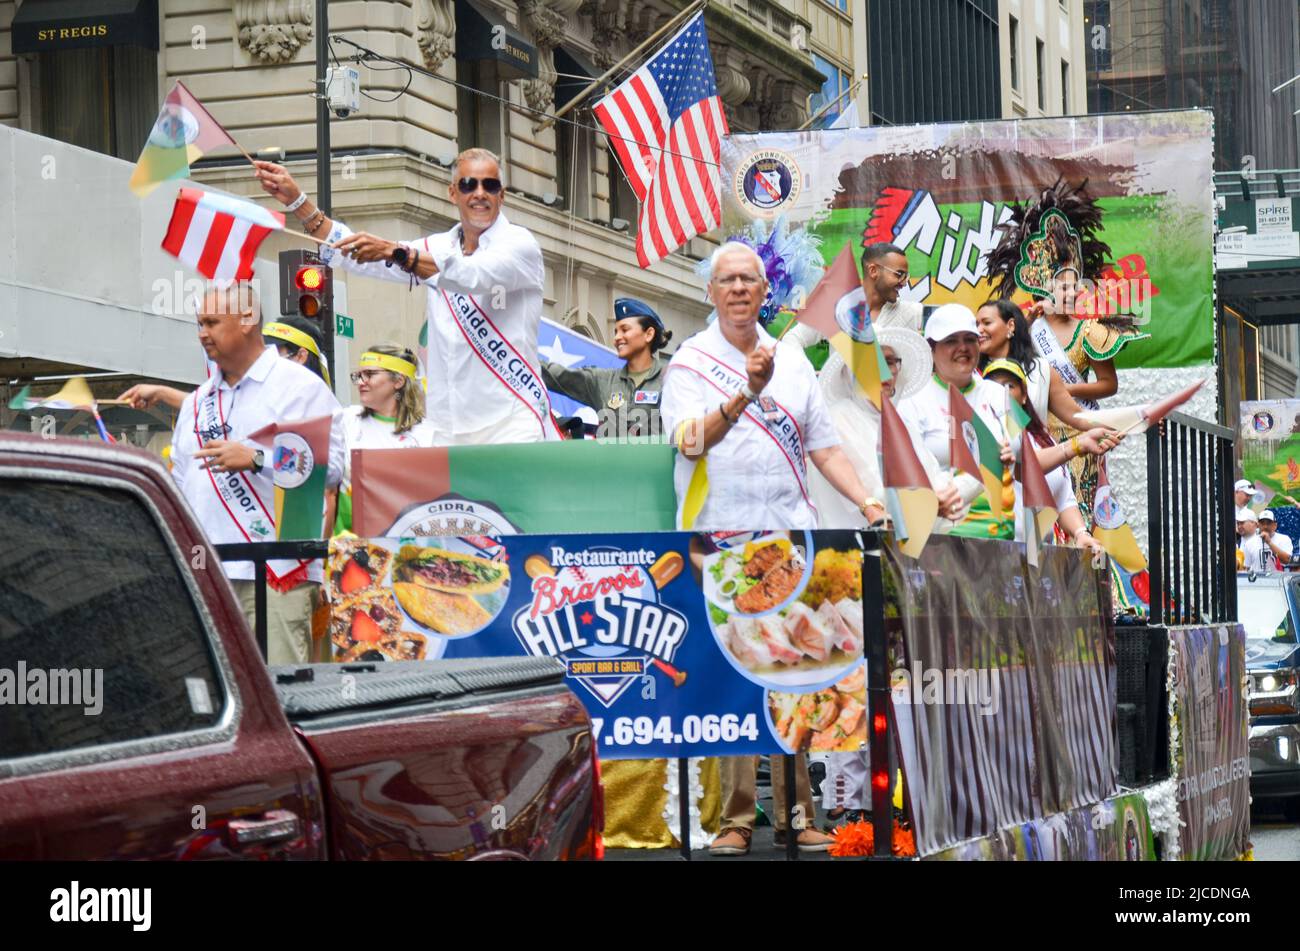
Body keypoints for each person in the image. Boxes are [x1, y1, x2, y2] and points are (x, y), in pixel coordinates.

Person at [661, 241, 882, 855]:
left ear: (766, 291)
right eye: (726, 280)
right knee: (738, 679)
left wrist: (867, 500)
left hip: (790, 539)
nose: (737, 289)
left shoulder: (791, 361)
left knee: (796, 674)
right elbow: (687, 443)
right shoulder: (689, 362)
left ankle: (799, 814)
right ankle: (737, 821)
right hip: (722, 540)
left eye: (748, 280)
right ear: (710, 292)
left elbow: (826, 448)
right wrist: (742, 396)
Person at [255, 148, 560, 445]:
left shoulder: (520, 245)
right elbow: (357, 255)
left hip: (510, 423)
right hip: (448, 427)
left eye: (489, 185)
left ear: (501, 196)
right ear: (453, 193)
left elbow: (471, 275)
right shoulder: (438, 246)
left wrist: (399, 252)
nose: (479, 193)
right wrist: (299, 203)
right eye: (469, 184)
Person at [168, 282, 345, 664]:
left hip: (278, 571)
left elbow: (331, 469)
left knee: (280, 694)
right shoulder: (197, 403)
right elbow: (181, 484)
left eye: (212, 322)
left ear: (248, 320)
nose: (203, 333)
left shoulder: (298, 386)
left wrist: (259, 460)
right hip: (209, 571)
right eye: (199, 323)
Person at [809, 327, 965, 529]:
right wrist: (933, 500)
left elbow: (935, 477)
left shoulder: (902, 424)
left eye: (890, 362)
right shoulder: (839, 418)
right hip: (856, 549)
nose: (884, 370)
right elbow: (879, 493)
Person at [1026, 266, 1149, 522]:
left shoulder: (1090, 331)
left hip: (1079, 431)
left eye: (1075, 287)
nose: (1071, 293)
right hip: (1039, 430)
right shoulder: (1030, 330)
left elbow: (1108, 384)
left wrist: (1061, 389)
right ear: (1047, 290)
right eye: (1063, 287)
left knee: (1079, 507)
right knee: (1041, 509)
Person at [896, 303, 1017, 539]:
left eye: (970, 339)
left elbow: (1022, 450)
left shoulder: (998, 394)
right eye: (951, 340)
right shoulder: (911, 401)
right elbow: (904, 470)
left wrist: (1074, 446)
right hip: (939, 535)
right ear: (930, 349)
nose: (963, 348)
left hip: (999, 536)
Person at [982, 358, 1113, 555]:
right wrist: (1076, 445)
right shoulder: (979, 435)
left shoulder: (1044, 440)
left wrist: (1080, 533)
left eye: (1009, 386)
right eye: (994, 387)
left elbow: (1062, 498)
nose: (1002, 393)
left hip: (1041, 558)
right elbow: (1025, 467)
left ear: (1024, 395)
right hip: (996, 553)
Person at [121, 317, 333, 412]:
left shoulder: (312, 397)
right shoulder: (257, 387)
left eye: (273, 351)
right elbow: (214, 409)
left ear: (301, 356)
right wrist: (161, 393)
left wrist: (255, 460)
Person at [335, 344, 435, 533]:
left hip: (406, 540)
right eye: (358, 376)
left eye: (370, 374)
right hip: (350, 543)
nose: (361, 382)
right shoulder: (346, 420)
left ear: (398, 381)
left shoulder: (426, 434)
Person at [542, 298, 672, 440]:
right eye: (616, 331)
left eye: (625, 330)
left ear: (649, 334)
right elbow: (554, 374)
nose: (617, 338)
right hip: (612, 462)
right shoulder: (602, 381)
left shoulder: (670, 380)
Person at [976, 298, 1101, 432]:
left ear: (1010, 325)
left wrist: (1116, 425)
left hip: (1034, 452)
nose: (978, 330)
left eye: (987, 323)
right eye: (976, 325)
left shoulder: (1041, 370)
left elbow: (1079, 418)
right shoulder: (973, 374)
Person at [783, 242, 923, 354]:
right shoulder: (835, 308)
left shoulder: (912, 313)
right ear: (873, 271)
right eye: (899, 274)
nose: (904, 282)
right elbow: (793, 339)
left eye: (906, 276)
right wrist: (805, 375)